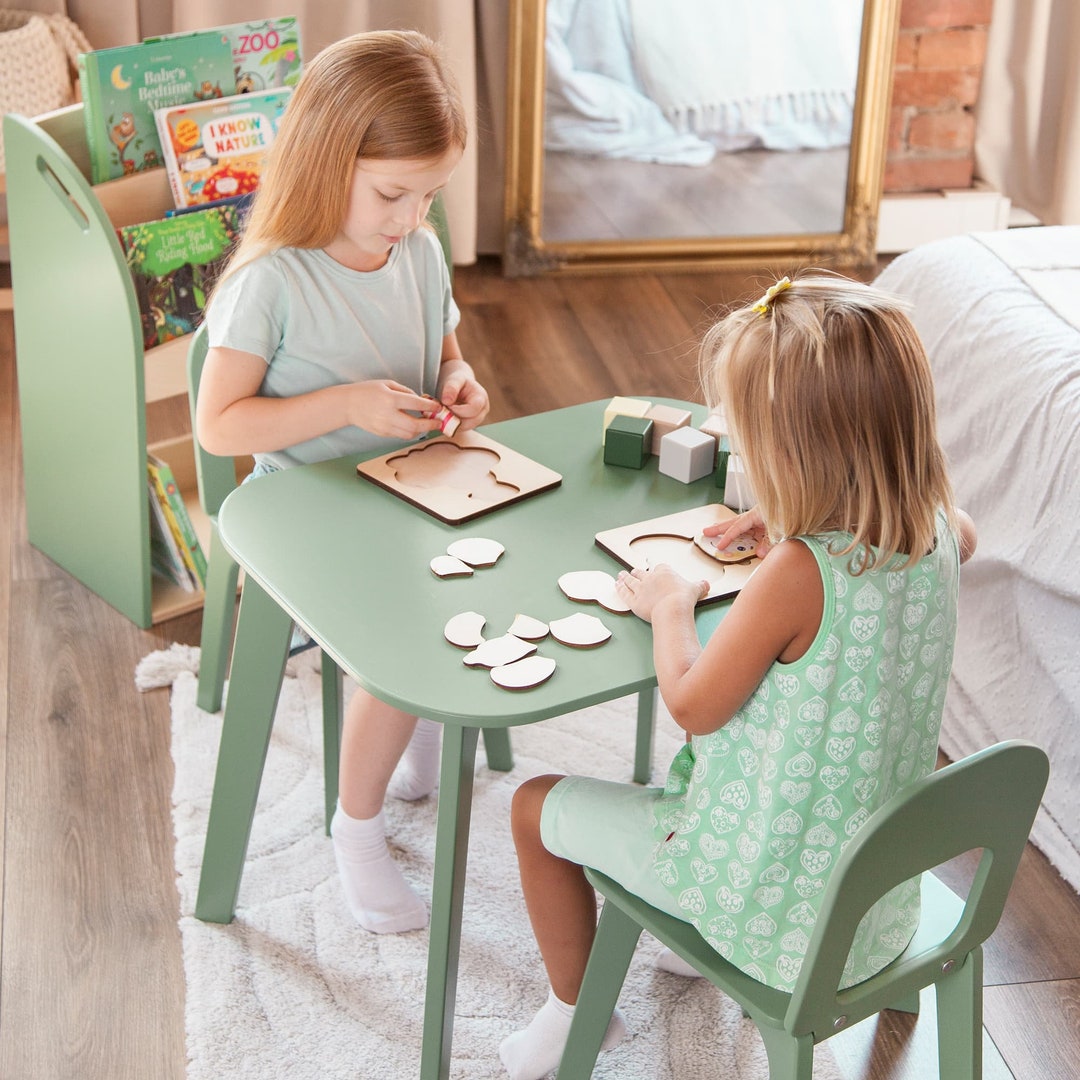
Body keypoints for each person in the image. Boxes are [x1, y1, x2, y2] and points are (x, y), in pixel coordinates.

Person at [498, 274, 978, 1079]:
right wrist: (796, 515)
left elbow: (692, 705)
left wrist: (671, 605)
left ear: (799, 453)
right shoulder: (935, 523)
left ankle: (574, 1010)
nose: (742, 457)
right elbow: (960, 536)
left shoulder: (797, 573)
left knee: (529, 807)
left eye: (751, 444)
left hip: (771, 907)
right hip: (879, 896)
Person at [196, 30, 490, 935]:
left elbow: (441, 349)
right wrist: (344, 406)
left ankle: (419, 715)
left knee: (499, 562)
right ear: (331, 159)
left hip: (407, 481)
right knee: (404, 633)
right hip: (304, 506)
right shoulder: (271, 283)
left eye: (430, 194)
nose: (411, 217)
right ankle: (354, 828)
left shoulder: (422, 252)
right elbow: (219, 425)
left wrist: (457, 380)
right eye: (393, 193)